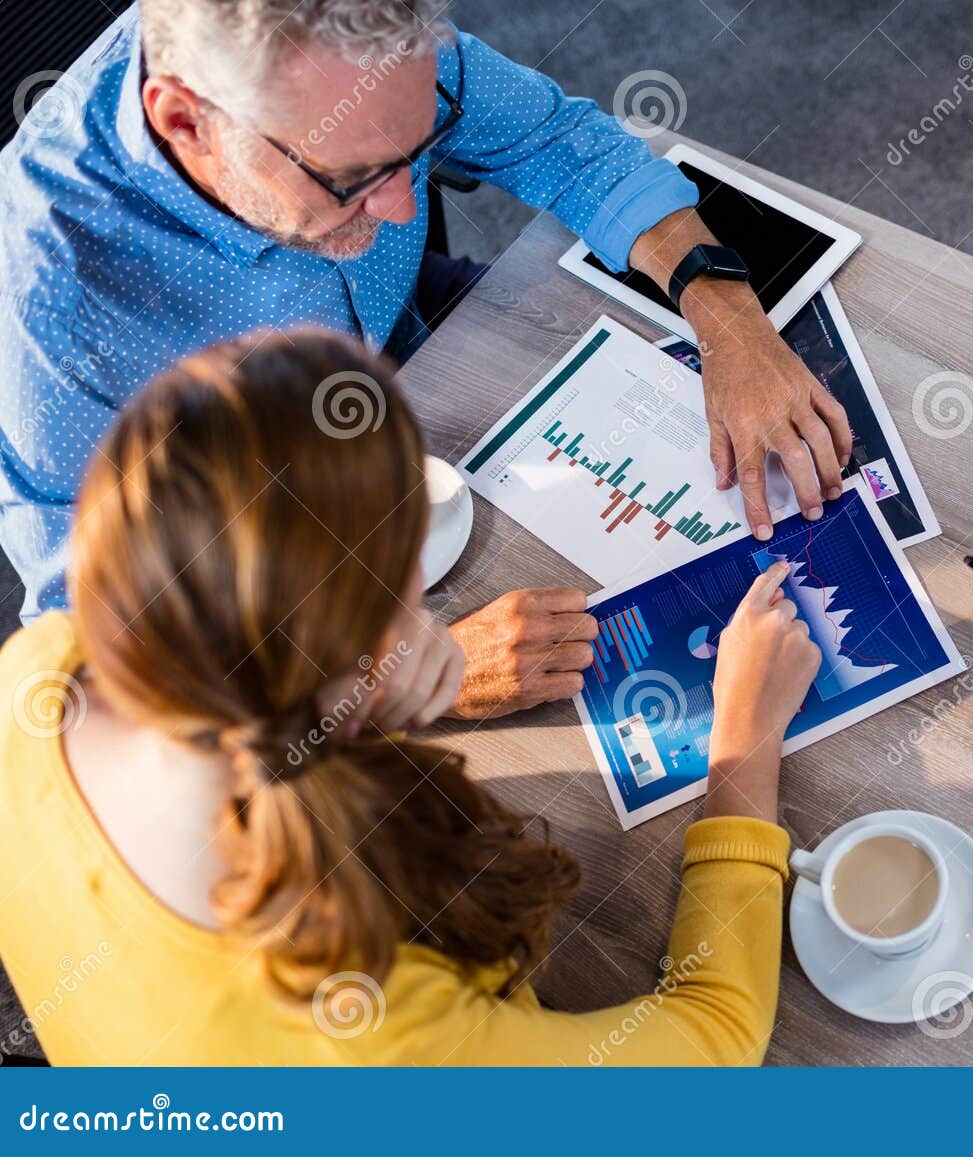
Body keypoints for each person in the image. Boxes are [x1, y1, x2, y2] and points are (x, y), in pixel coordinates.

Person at [0, 0, 850, 719]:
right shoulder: (48, 293)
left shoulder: (368, 50)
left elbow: (561, 142)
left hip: (423, 356)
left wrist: (727, 315)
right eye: (354, 176)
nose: (408, 203)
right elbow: (99, 672)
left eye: (420, 147)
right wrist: (390, 685)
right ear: (188, 122)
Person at [0, 330, 821, 1064]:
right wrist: (743, 751)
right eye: (402, 567)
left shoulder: (37, 670)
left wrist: (337, 695)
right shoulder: (374, 1027)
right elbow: (713, 1041)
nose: (422, 591)